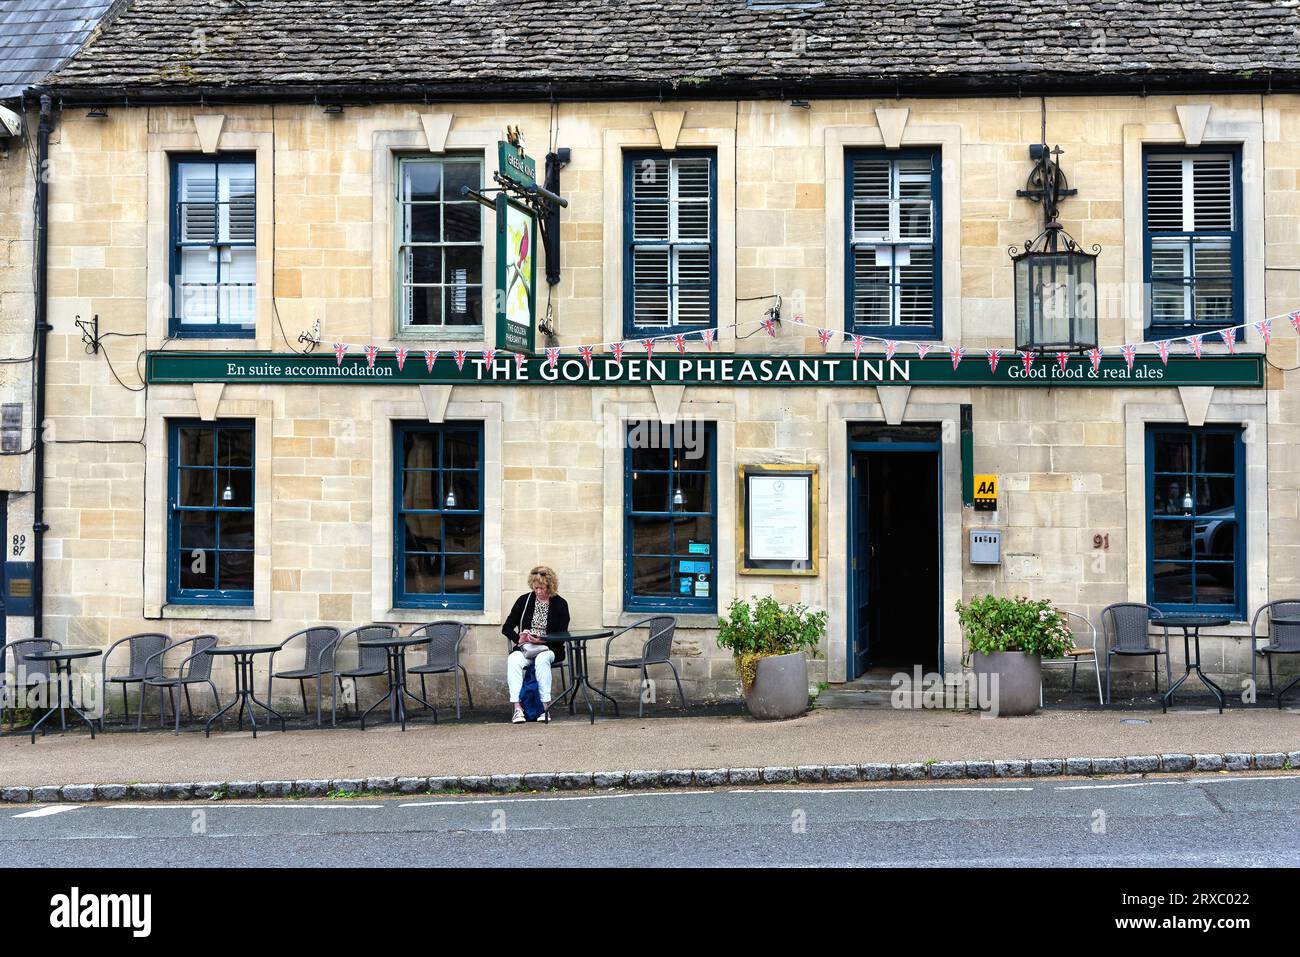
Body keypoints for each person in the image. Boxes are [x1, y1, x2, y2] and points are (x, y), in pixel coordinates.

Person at [502, 565, 570, 723]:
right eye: (536, 588)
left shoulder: (560, 604)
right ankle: (517, 708)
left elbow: (563, 634)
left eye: (542, 588)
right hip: (527, 648)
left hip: (550, 648)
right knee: (513, 660)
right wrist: (518, 638)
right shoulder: (524, 600)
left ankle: (545, 707)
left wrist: (542, 640)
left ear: (550, 586)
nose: (538, 591)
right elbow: (506, 627)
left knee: (541, 660)